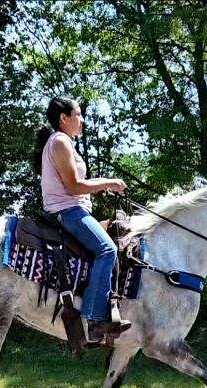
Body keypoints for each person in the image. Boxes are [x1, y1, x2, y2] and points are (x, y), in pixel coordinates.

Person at [32, 96, 131, 342]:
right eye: (78, 115)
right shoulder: (60, 141)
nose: (82, 120)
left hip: (73, 210)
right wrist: (108, 183)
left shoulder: (62, 142)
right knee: (107, 250)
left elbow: (78, 184)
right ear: (64, 118)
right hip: (68, 212)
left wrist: (106, 184)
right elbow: (74, 186)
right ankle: (95, 318)